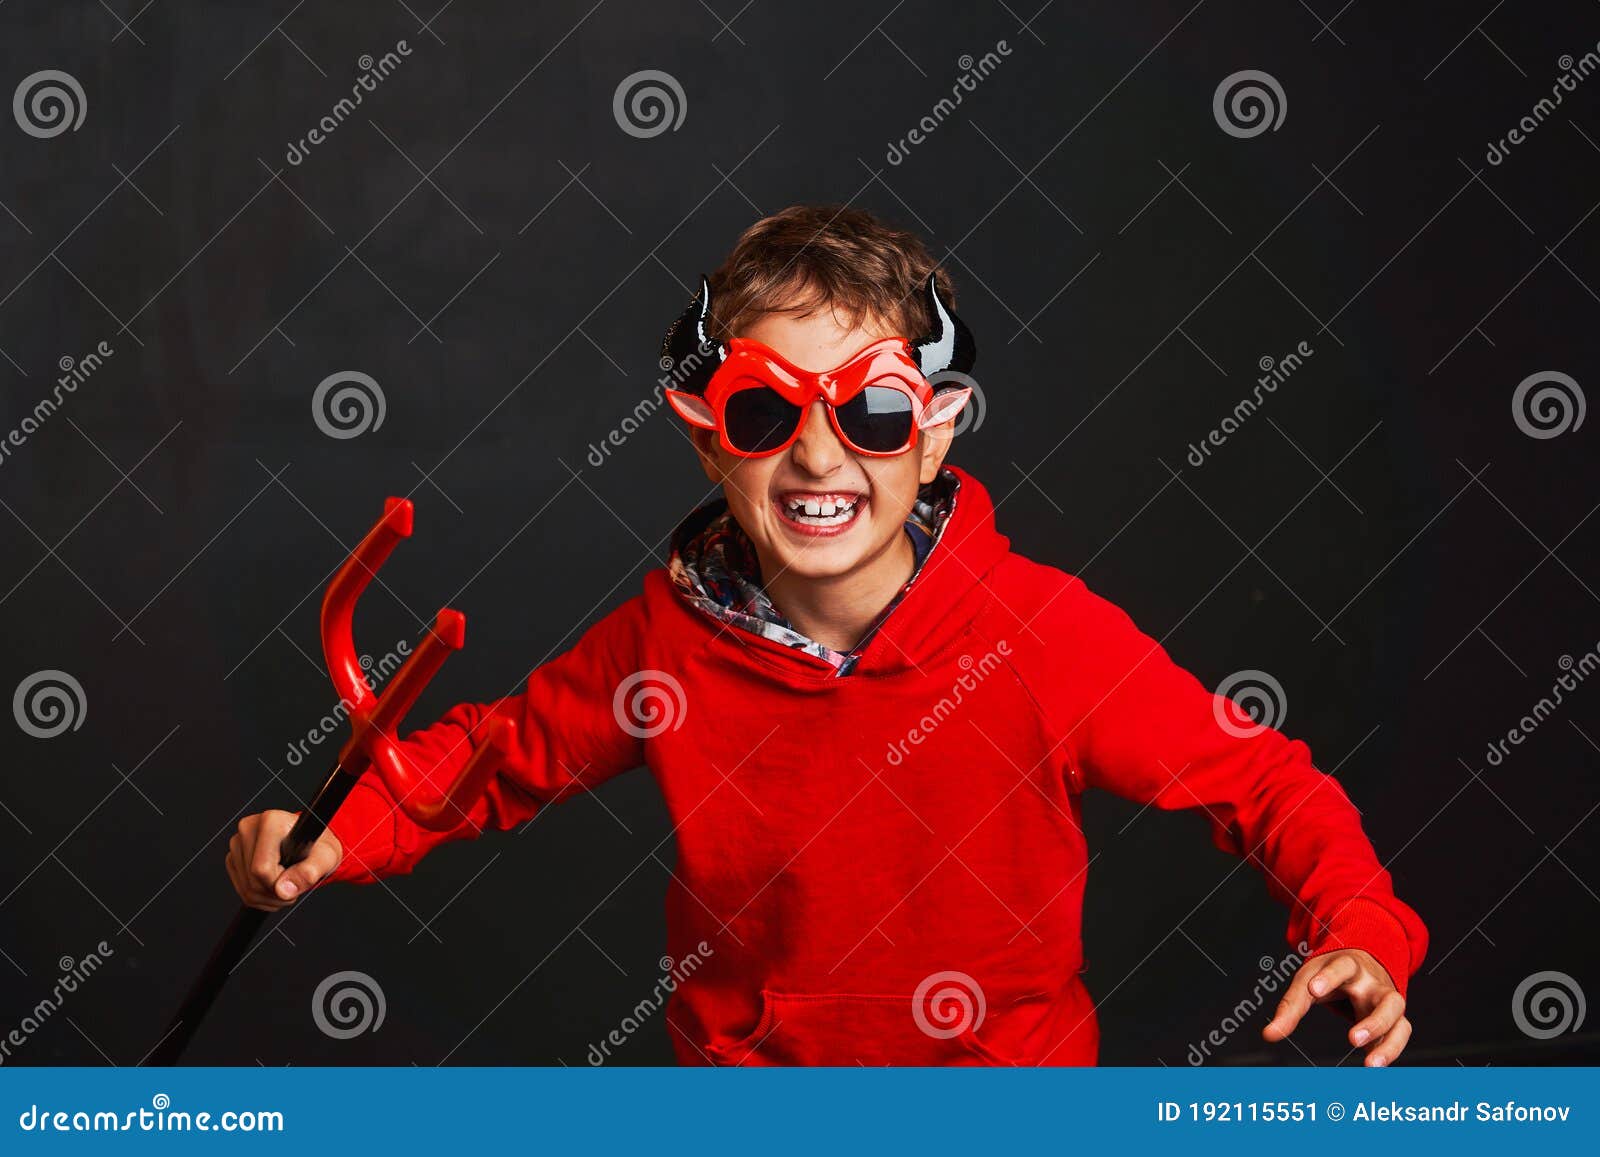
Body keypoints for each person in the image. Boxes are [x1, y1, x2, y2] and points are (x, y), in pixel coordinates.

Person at [226, 205, 1426, 1066]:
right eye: (764, 408)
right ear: (706, 437)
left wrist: (1360, 927)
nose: (816, 453)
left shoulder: (1040, 634)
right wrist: (333, 835)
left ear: (935, 432)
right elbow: (486, 762)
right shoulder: (663, 644)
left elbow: (1262, 782)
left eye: (871, 410)